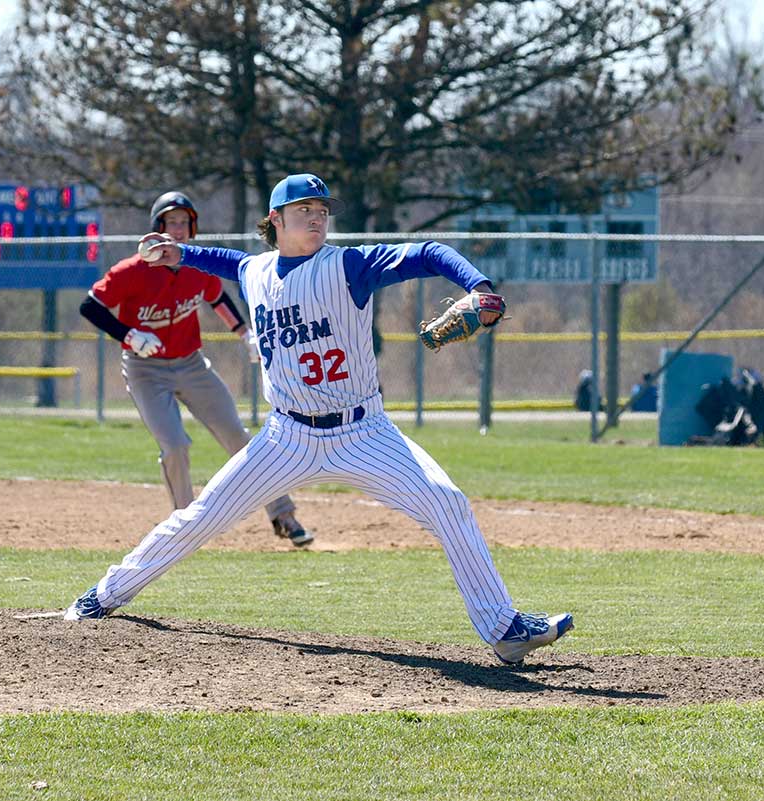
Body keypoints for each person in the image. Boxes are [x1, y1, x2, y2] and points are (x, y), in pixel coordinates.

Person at [64, 173, 573, 665]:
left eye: (322, 211)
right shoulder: (255, 271)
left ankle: (504, 630)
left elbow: (428, 252)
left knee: (447, 503)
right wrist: (179, 252)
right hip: (286, 436)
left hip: (363, 431)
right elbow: (224, 260)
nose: (316, 219)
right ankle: (104, 594)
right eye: (303, 210)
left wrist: (478, 285)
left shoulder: (349, 266)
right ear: (276, 220)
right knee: (200, 517)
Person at [78, 190, 313, 546]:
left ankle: (284, 514)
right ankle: (184, 528)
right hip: (146, 370)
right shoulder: (133, 271)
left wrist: (244, 333)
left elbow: (217, 297)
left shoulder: (195, 265)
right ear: (157, 228)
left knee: (240, 437)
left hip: (192, 365)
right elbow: (90, 306)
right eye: (171, 222)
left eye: (184, 222)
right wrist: (128, 335)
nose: (178, 229)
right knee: (175, 446)